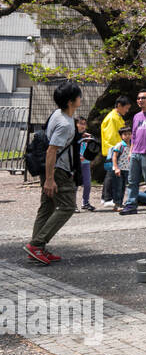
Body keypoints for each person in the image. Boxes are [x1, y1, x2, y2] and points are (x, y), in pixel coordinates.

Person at [25, 81, 82, 265]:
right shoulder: (65, 123)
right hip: (57, 171)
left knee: (47, 207)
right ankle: (36, 245)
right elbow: (52, 150)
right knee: (67, 206)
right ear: (71, 101)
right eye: (78, 96)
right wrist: (50, 179)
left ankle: (37, 249)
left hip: (49, 168)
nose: (81, 98)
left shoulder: (58, 114)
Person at [98, 96, 130, 207]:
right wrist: (120, 150)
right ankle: (108, 198)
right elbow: (111, 137)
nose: (127, 111)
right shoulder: (113, 118)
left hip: (114, 150)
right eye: (126, 108)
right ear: (119, 106)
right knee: (112, 175)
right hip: (114, 150)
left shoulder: (116, 117)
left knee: (111, 174)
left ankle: (106, 198)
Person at [106, 125, 132, 208]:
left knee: (123, 187)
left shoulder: (132, 145)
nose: (127, 136)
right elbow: (114, 157)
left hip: (127, 169)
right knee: (118, 187)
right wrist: (116, 168)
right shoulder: (119, 145)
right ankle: (117, 204)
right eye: (125, 134)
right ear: (121, 136)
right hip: (119, 170)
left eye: (129, 134)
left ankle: (120, 203)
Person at [75, 116, 96, 212]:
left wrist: (90, 140)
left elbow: (92, 148)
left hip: (86, 163)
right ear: (76, 124)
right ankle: (73, 204)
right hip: (76, 163)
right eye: (80, 123)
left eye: (84, 124)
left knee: (87, 184)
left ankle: (85, 203)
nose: (83, 126)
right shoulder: (74, 136)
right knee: (75, 184)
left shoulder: (87, 136)